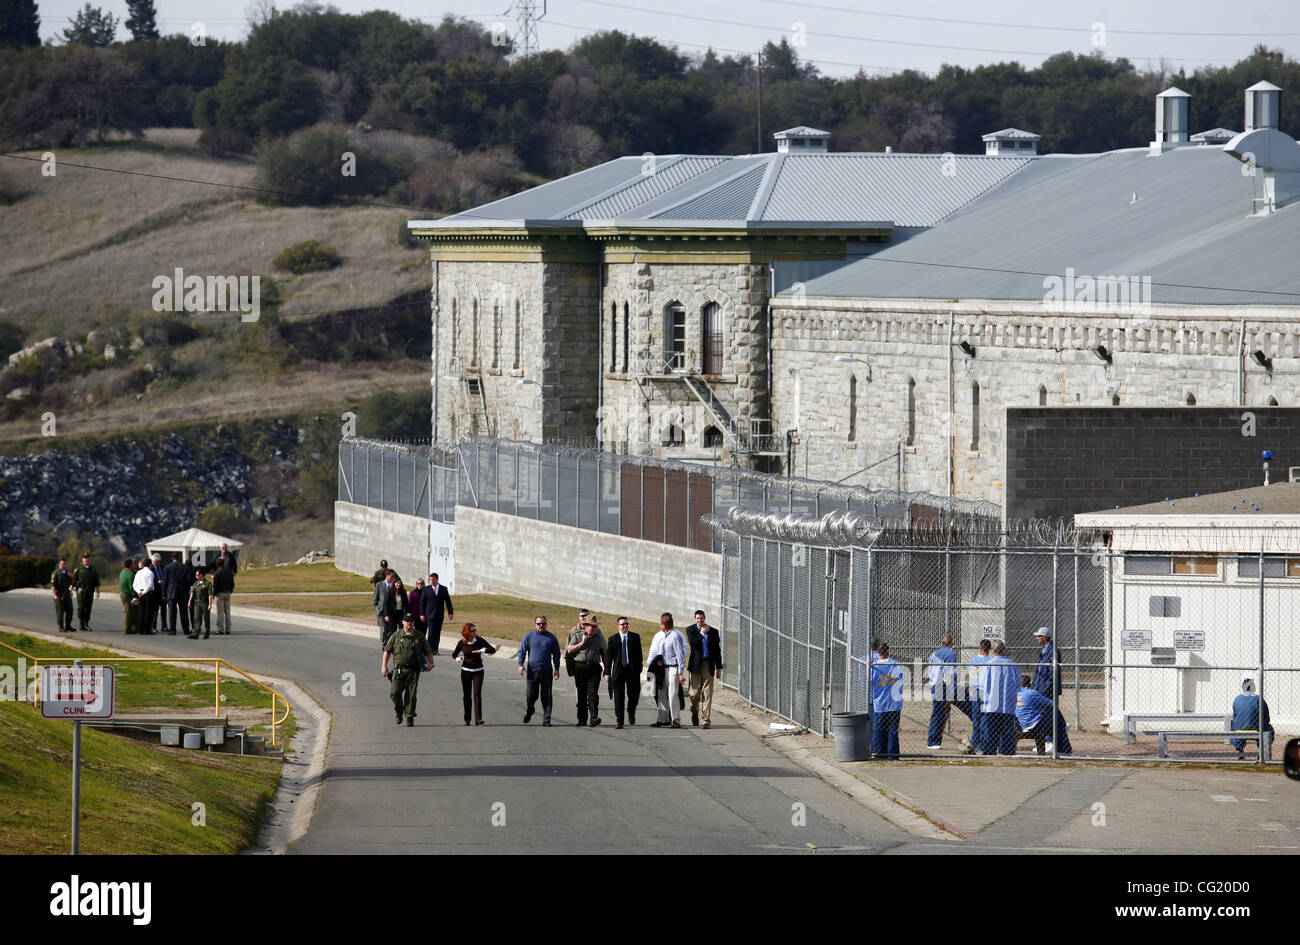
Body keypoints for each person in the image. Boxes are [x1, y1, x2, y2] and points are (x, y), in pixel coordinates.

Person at [381, 615, 434, 726]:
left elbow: (428, 651)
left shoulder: (419, 636)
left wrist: (430, 664)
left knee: (411, 694)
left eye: (411, 621)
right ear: (402, 622)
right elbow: (387, 651)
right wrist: (384, 666)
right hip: (398, 670)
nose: (409, 623)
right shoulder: (396, 635)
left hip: (414, 670)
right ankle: (399, 711)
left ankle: (410, 716)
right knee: (395, 692)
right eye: (407, 621)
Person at [925, 634, 973, 749]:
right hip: (946, 688)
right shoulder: (951, 654)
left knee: (938, 714)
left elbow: (931, 670)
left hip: (936, 686)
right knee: (968, 707)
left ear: (942, 643)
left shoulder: (934, 654)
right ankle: (980, 730)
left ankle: (933, 742)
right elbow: (949, 674)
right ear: (951, 644)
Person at [646, 613, 688, 728]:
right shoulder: (663, 636)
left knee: (672, 694)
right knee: (661, 693)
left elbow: (680, 656)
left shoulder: (675, 636)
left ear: (665, 624)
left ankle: (675, 720)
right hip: (662, 668)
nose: (659, 625)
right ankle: (662, 718)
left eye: (661, 624)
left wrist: (680, 673)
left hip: (673, 668)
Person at [1015, 674, 1073, 755]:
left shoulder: (1014, 693)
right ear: (1030, 684)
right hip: (1033, 726)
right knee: (1052, 712)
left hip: (1018, 726)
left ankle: (1052, 739)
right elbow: (1052, 704)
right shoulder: (1032, 693)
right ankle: (1053, 740)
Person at [451, 623, 497, 726]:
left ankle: (478, 718)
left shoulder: (479, 640)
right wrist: (458, 659)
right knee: (467, 695)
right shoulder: (461, 643)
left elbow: (492, 649)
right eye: (473, 630)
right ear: (467, 632)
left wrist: (482, 650)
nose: (475, 632)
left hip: (478, 671)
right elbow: (454, 654)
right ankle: (467, 719)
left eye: (475, 630)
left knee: (477, 693)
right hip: (466, 671)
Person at [518, 616, 560, 726]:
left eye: (543, 623)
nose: (541, 625)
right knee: (531, 695)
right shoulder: (529, 636)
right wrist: (520, 665)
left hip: (546, 671)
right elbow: (522, 651)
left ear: (546, 624)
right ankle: (530, 709)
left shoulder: (551, 638)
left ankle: (547, 719)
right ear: (535, 624)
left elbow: (556, 655)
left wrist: (557, 669)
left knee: (546, 696)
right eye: (539, 624)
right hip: (532, 671)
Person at [565, 612, 606, 727]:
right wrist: (582, 643)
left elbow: (604, 653)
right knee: (581, 694)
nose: (593, 628)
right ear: (585, 626)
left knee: (593, 694)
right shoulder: (577, 635)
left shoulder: (599, 637)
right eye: (591, 626)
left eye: (595, 626)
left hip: (594, 668)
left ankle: (594, 718)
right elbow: (569, 649)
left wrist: (607, 670)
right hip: (580, 667)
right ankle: (582, 719)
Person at [982, 640, 1020, 755]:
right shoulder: (1012, 665)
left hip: (992, 703)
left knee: (991, 731)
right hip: (1008, 703)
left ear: (994, 651)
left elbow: (983, 683)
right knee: (1007, 731)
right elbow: (1018, 684)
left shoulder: (989, 664)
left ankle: (990, 751)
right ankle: (1006, 752)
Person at [686, 609, 723, 729]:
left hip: (708, 664)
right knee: (694, 694)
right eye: (697, 618)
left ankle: (706, 720)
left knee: (707, 693)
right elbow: (693, 644)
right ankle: (694, 710)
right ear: (695, 619)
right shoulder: (691, 630)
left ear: (704, 618)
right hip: (696, 665)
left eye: (701, 618)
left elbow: (717, 651)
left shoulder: (713, 632)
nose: (700, 620)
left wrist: (719, 668)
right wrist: (702, 633)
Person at [604, 616, 642, 729]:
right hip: (618, 671)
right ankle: (619, 721)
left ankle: (631, 712)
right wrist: (607, 673)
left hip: (632, 671)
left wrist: (639, 669)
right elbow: (609, 658)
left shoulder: (635, 637)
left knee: (634, 695)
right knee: (619, 698)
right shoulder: (613, 639)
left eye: (626, 624)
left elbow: (639, 655)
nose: (625, 626)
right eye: (622, 624)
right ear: (618, 626)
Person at [870, 642, 903, 759]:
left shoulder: (874, 666)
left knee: (879, 729)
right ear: (888, 651)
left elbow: (871, 682)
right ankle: (892, 755)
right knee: (893, 730)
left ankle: (879, 753)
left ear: (878, 653)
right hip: (894, 703)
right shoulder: (896, 664)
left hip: (880, 703)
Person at [1232, 678, 1274, 760]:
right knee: (1269, 729)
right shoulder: (1259, 698)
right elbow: (1266, 716)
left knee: (1236, 726)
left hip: (1240, 728)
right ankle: (1261, 749)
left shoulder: (1237, 699)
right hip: (1257, 728)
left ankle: (1240, 749)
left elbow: (1235, 715)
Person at [966, 639, 992, 754]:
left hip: (975, 691)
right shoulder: (990, 661)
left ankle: (976, 743)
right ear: (989, 650)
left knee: (976, 718)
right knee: (985, 719)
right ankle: (983, 744)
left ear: (980, 648)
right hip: (986, 692)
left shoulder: (972, 660)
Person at [420, 572, 453, 654]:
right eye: (430, 580)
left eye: (433, 579)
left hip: (439, 614)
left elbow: (448, 601)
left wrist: (450, 612)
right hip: (429, 614)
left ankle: (435, 649)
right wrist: (422, 614)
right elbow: (422, 603)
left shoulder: (443, 589)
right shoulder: (426, 589)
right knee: (431, 632)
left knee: (437, 633)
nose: (432, 581)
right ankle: (429, 649)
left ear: (437, 580)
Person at [163, 553, 191, 636]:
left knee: (172, 611)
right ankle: (186, 630)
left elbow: (165, 582)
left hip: (171, 591)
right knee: (184, 611)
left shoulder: (167, 568)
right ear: (178, 558)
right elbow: (189, 580)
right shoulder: (185, 567)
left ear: (172, 558)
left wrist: (164, 593)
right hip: (183, 591)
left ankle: (172, 630)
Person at [72, 553, 100, 632]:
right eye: (85, 559)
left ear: (89, 560)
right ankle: (81, 623)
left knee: (88, 608)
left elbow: (96, 582)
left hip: (90, 590)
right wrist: (71, 589)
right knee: (81, 607)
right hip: (81, 591)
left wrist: (97, 592)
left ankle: (86, 623)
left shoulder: (93, 569)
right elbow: (74, 580)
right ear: (82, 560)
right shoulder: (79, 569)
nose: (86, 561)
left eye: (87, 559)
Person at [1031, 627, 1061, 699]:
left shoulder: (1053, 651)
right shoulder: (1043, 650)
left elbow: (1053, 674)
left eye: (1039, 636)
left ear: (1044, 637)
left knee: (1049, 708)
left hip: (1047, 691)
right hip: (1039, 688)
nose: (1037, 638)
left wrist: (1045, 690)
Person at [132, 556, 156, 635]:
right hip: (148, 593)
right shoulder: (150, 573)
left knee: (141, 611)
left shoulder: (138, 573)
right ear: (150, 565)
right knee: (148, 611)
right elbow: (149, 585)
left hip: (140, 593)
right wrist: (144, 592)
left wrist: (139, 592)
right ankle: (147, 629)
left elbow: (135, 584)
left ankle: (140, 628)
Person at [211, 556, 235, 635]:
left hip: (220, 593)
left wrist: (215, 593)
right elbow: (232, 583)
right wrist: (230, 590)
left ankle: (220, 629)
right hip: (227, 592)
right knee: (227, 612)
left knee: (220, 612)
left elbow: (216, 585)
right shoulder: (229, 572)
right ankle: (228, 629)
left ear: (217, 564)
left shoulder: (217, 573)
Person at [188, 568, 213, 640]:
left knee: (206, 618)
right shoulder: (196, 583)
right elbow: (192, 593)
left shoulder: (208, 583)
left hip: (204, 603)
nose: (196, 576)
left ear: (201, 575)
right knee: (196, 618)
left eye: (197, 575)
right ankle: (196, 633)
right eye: (196, 575)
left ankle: (207, 633)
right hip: (197, 603)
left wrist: (210, 604)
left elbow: (210, 595)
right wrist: (189, 602)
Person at [50, 558, 74, 632]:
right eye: (62, 564)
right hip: (59, 595)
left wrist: (71, 576)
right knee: (60, 611)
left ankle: (68, 626)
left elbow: (73, 580)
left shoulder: (67, 573)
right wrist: (55, 595)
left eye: (65, 564)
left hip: (67, 594)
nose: (64, 565)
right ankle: (61, 626)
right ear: (59, 564)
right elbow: (53, 586)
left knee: (70, 610)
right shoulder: (56, 573)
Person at [373, 569, 396, 643]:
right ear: (387, 575)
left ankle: (389, 644)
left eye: (394, 576)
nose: (393, 578)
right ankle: (384, 644)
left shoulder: (394, 585)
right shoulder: (379, 585)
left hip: (391, 611)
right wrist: (377, 610)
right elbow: (375, 600)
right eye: (391, 576)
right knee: (383, 629)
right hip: (382, 611)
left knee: (391, 629)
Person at [118, 558, 137, 634]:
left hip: (122, 593)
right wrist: (135, 596)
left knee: (127, 611)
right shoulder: (130, 574)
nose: (133, 565)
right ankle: (127, 629)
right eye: (132, 564)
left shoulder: (122, 572)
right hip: (128, 595)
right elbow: (132, 587)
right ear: (130, 565)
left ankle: (130, 627)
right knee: (128, 612)